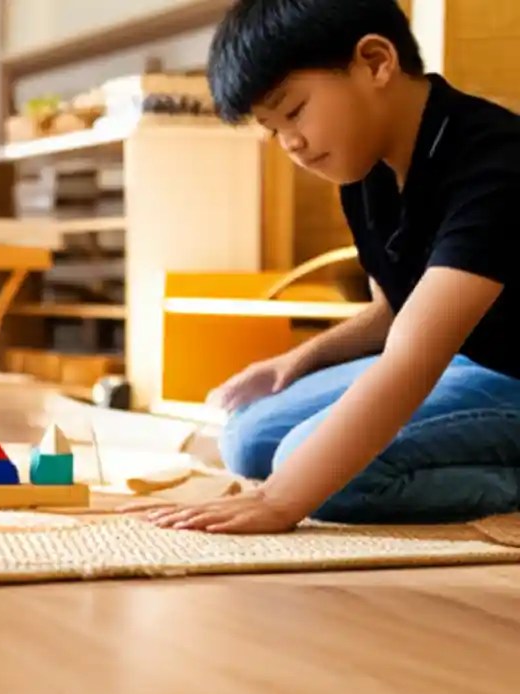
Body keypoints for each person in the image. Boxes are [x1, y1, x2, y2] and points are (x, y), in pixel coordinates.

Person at [145, 0, 520, 534]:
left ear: (375, 62)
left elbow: (414, 354)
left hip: (501, 372)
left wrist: (279, 501)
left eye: (294, 111)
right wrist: (298, 360)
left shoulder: (495, 160)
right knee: (249, 439)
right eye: (272, 129)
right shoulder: (368, 170)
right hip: (466, 358)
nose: (290, 144)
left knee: (323, 473)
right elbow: (394, 313)